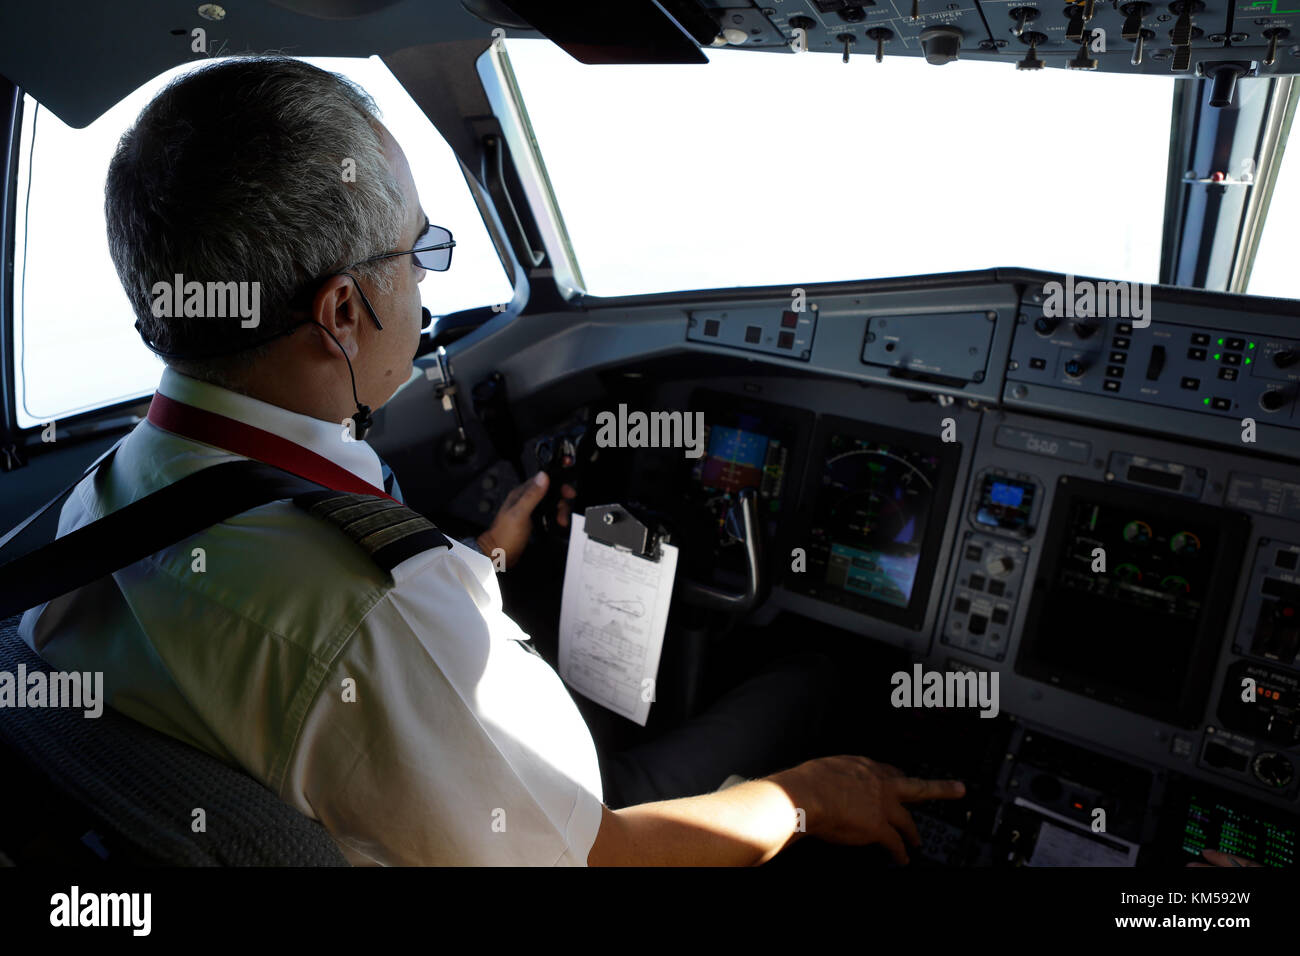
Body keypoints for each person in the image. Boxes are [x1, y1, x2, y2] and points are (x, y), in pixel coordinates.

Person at [19, 55, 964, 866]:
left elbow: (297, 639)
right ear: (343, 314)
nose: (429, 277)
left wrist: (483, 560)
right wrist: (803, 798)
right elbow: (595, 858)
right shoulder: (379, 617)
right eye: (422, 252)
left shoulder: (102, 503)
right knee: (819, 681)